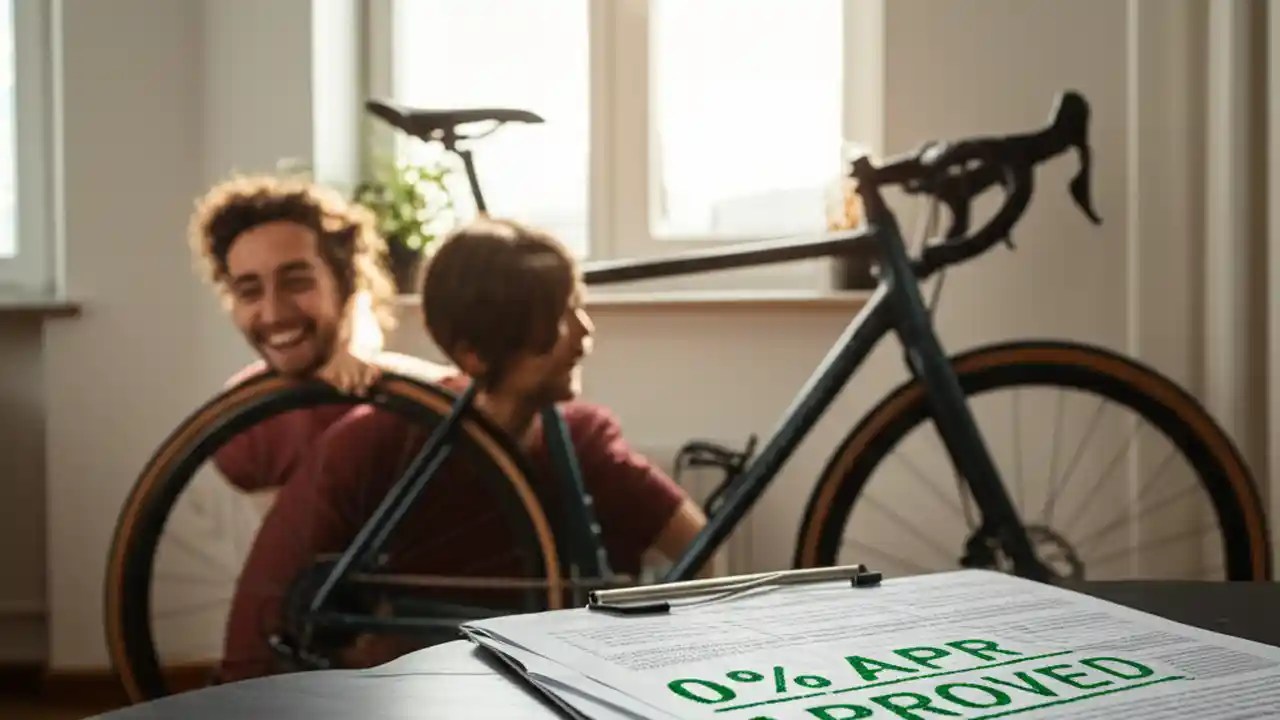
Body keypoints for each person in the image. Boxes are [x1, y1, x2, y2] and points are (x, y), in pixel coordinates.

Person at [217, 218, 708, 682]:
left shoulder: (583, 442)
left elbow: (698, 548)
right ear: (475, 352)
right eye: (557, 320)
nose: (585, 332)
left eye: (577, 308)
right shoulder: (376, 440)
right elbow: (265, 600)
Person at [186, 175, 451, 507]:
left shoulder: (431, 400)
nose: (273, 314)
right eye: (249, 291)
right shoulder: (243, 425)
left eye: (297, 282)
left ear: (345, 282)